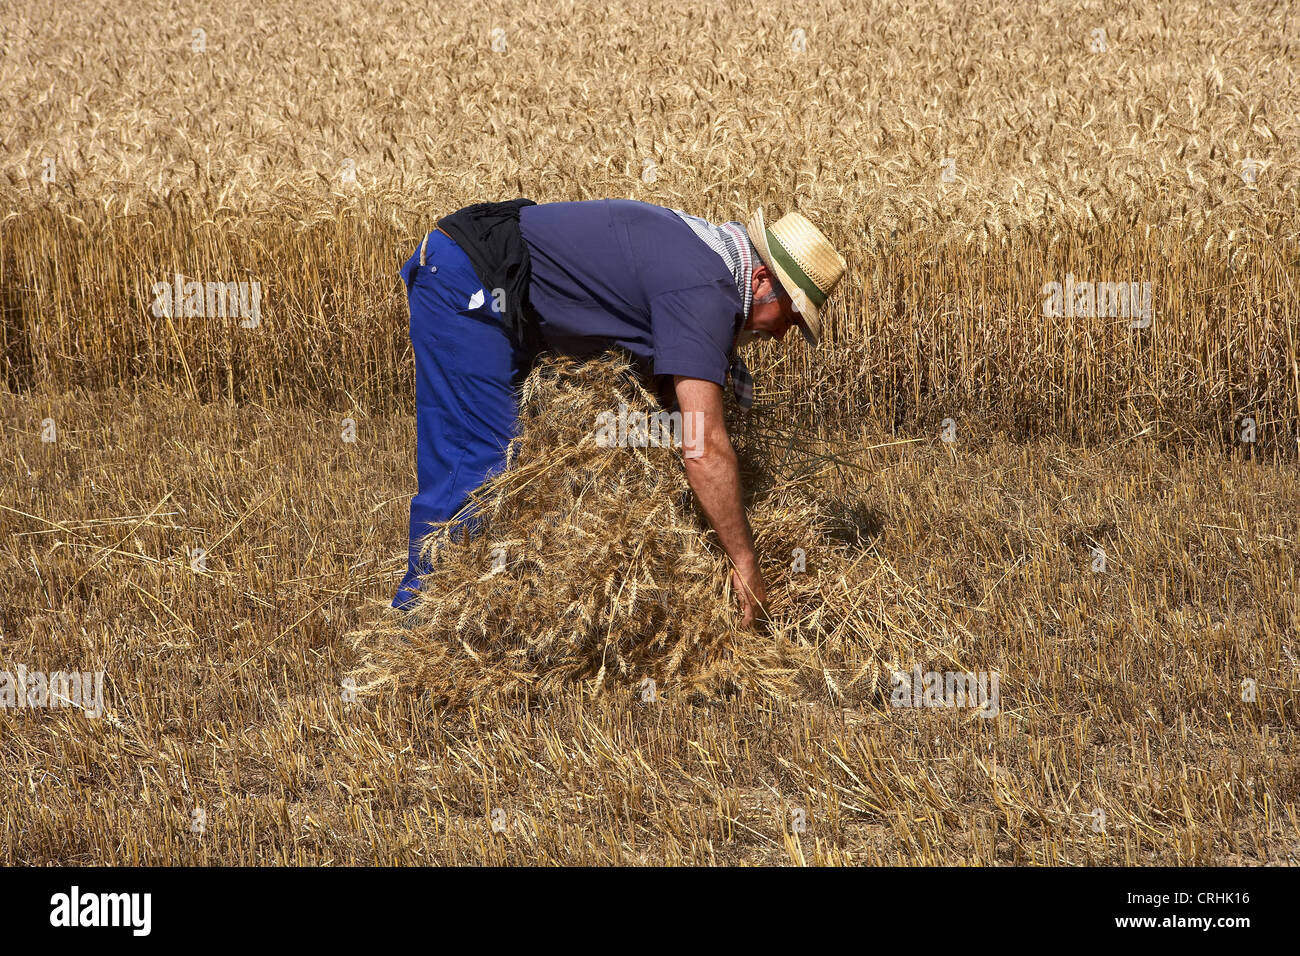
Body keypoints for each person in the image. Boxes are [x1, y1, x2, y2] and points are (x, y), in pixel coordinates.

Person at [392, 198, 847, 628]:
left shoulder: (709, 260)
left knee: (528, 465)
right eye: (789, 316)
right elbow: (703, 445)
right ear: (763, 280)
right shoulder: (705, 290)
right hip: (468, 278)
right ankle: (423, 623)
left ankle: (498, 607)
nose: (784, 335)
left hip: (502, 286)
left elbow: (667, 397)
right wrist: (745, 563)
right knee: (480, 460)